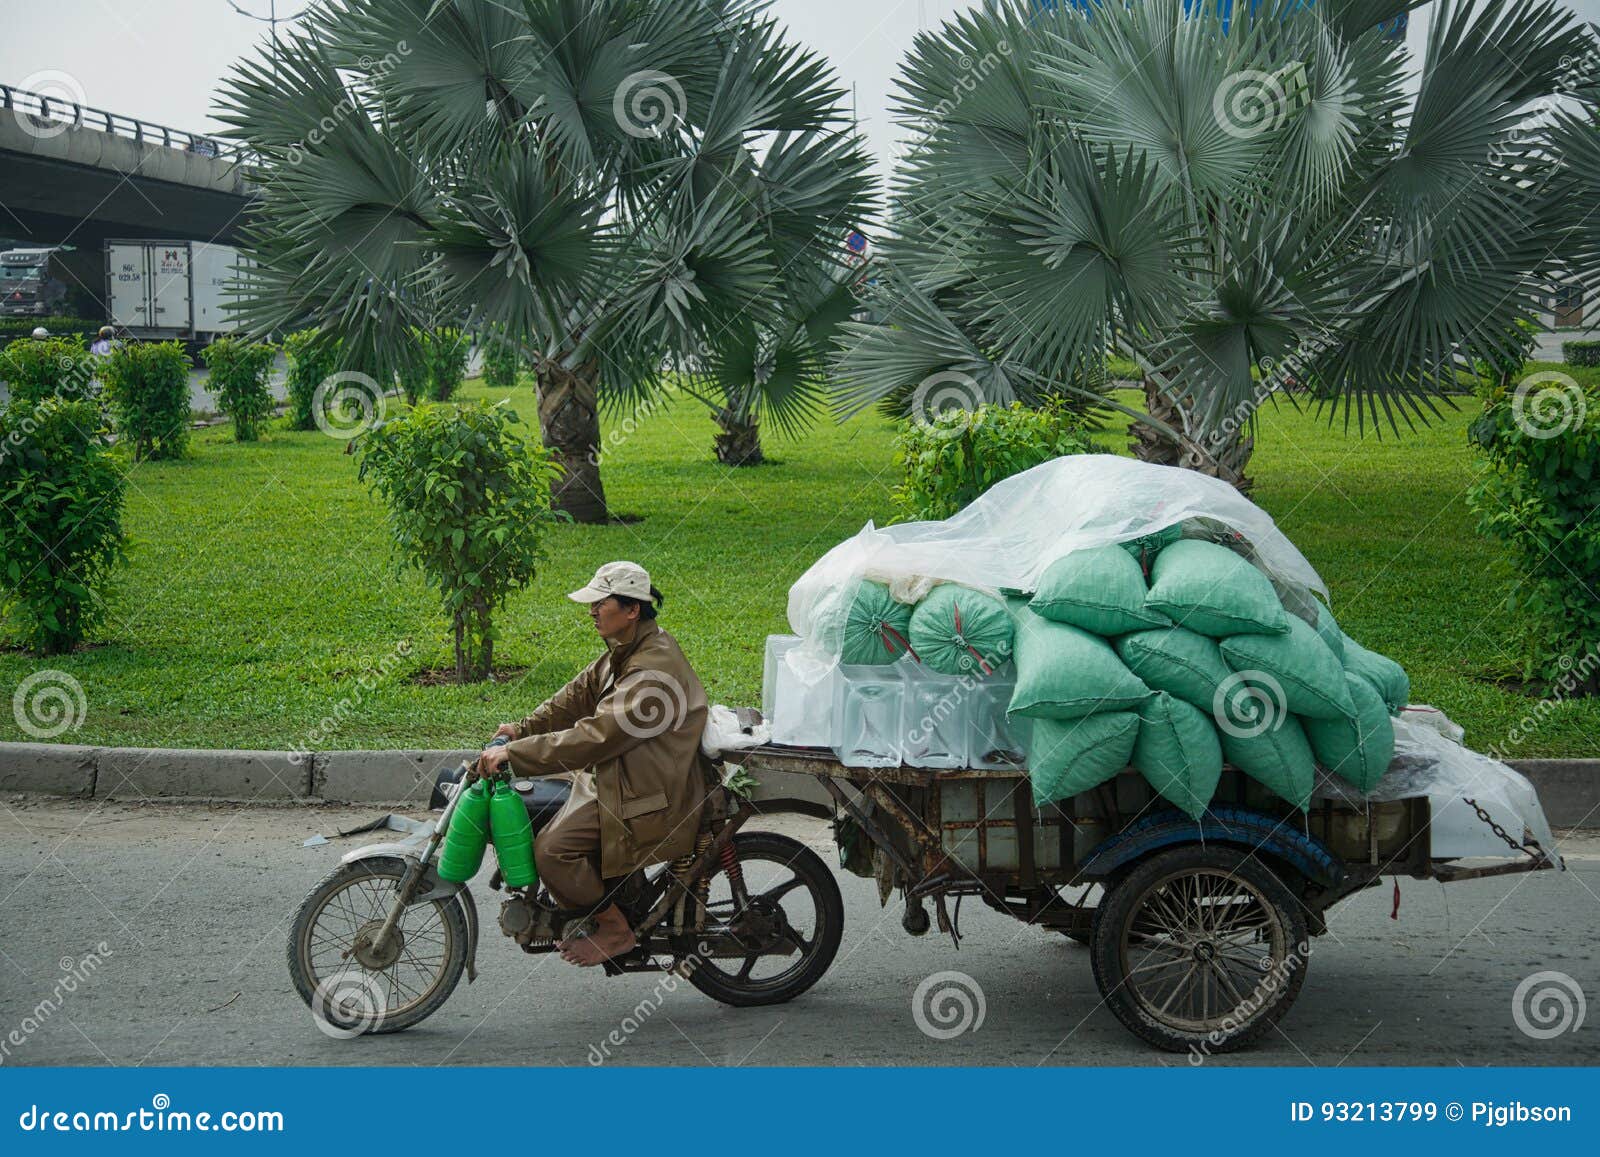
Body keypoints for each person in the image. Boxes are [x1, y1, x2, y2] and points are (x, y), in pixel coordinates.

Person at [478, 561, 708, 966]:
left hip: (649, 793)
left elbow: (597, 735)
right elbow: (576, 696)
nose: (592, 611)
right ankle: (610, 896)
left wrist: (515, 755)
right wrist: (520, 729)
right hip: (621, 776)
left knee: (552, 851)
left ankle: (615, 929)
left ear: (632, 609)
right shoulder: (626, 650)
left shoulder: (652, 670)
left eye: (600, 604)